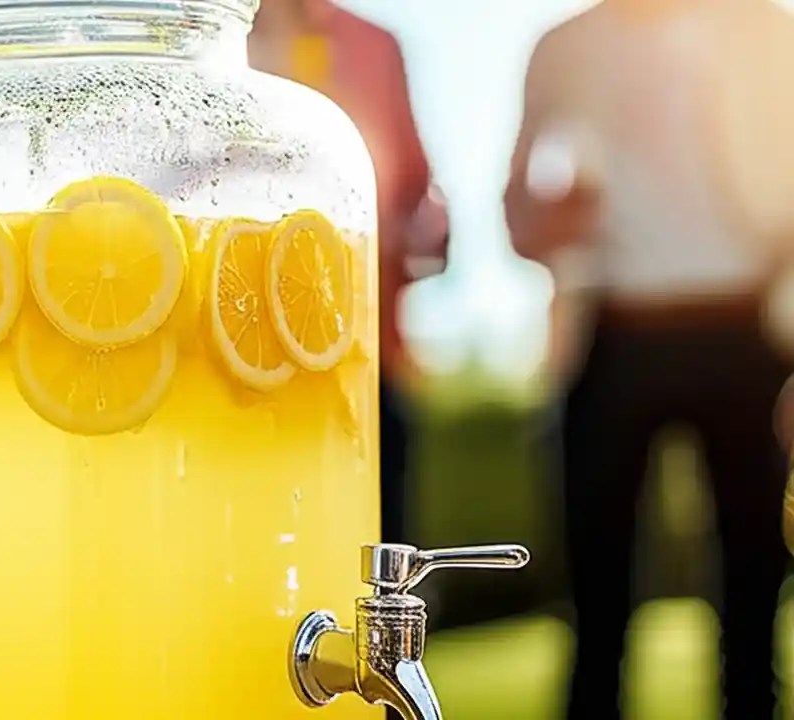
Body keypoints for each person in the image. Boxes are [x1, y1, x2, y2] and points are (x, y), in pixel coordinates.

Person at [506, 1, 794, 717]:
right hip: (610, 335)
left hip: (745, 329)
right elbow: (517, 209)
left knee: (756, 592)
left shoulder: (766, 30)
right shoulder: (563, 47)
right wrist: (544, 220)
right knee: (597, 598)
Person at [249, 0, 447, 544]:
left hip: (362, 348)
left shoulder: (375, 46)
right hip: (236, 349)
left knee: (367, 543)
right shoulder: (206, 45)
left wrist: (426, 230)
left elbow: (413, 186)